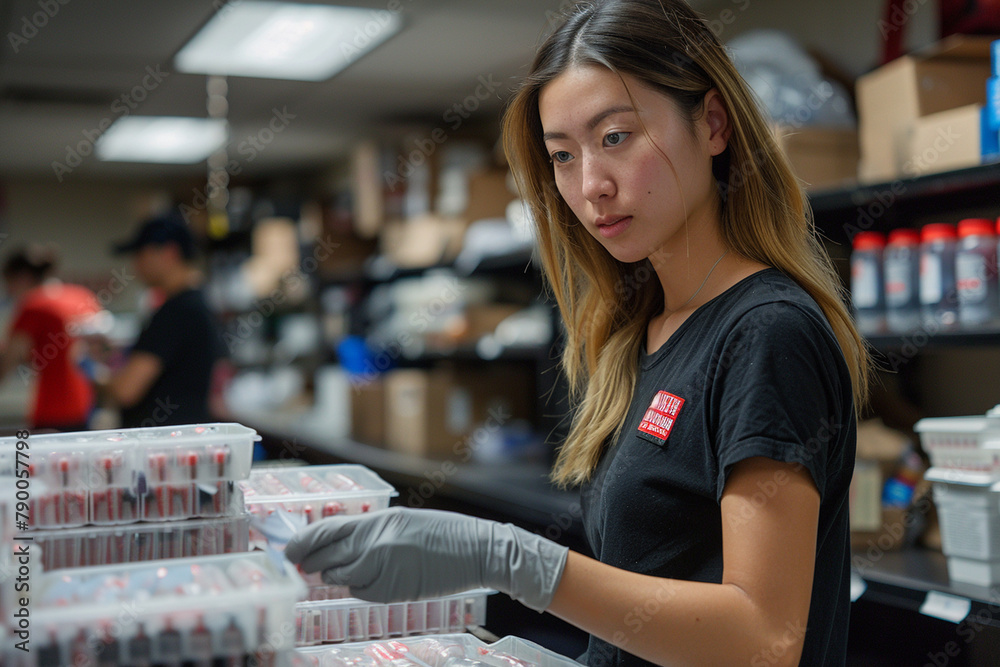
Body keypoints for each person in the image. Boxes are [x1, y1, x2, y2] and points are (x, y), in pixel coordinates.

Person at [284, 1, 870, 665]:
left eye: (615, 136)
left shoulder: (768, 334)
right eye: (563, 155)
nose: (591, 184)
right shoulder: (641, 331)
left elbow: (764, 639)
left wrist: (511, 559)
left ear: (712, 124)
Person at [108, 211, 226, 428]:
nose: (136, 267)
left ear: (169, 253)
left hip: (166, 448)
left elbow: (126, 390)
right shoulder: (197, 303)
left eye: (141, 256)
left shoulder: (179, 310)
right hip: (181, 439)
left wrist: (93, 377)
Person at [0, 245, 103, 431]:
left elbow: (8, 361)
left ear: (21, 278)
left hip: (53, 409)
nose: (8, 291)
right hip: (91, 405)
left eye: (8, 282)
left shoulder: (32, 305)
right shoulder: (81, 296)